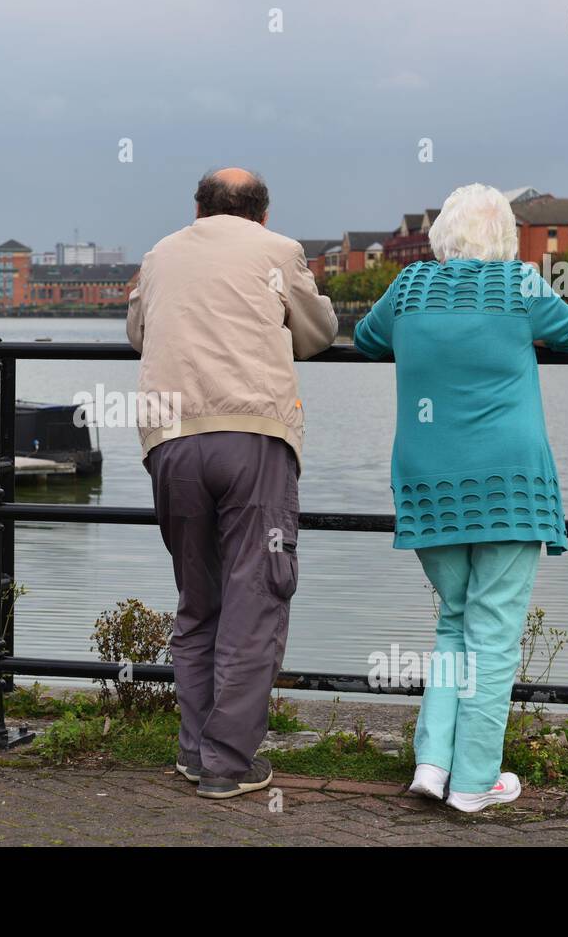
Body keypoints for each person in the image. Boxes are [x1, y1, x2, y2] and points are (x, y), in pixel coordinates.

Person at [353, 183, 568, 812]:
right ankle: (475, 781)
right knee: (494, 633)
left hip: (429, 482)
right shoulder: (521, 285)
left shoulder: (407, 286)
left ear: (440, 238)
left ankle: (432, 763)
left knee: (454, 621)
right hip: (509, 485)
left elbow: (365, 340)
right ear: (506, 238)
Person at [127, 167, 338, 799]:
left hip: (170, 440)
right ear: (263, 215)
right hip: (253, 438)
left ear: (197, 207)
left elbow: (138, 334)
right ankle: (227, 764)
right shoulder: (279, 252)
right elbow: (319, 334)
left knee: (199, 602)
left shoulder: (160, 255)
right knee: (257, 598)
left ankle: (195, 753)